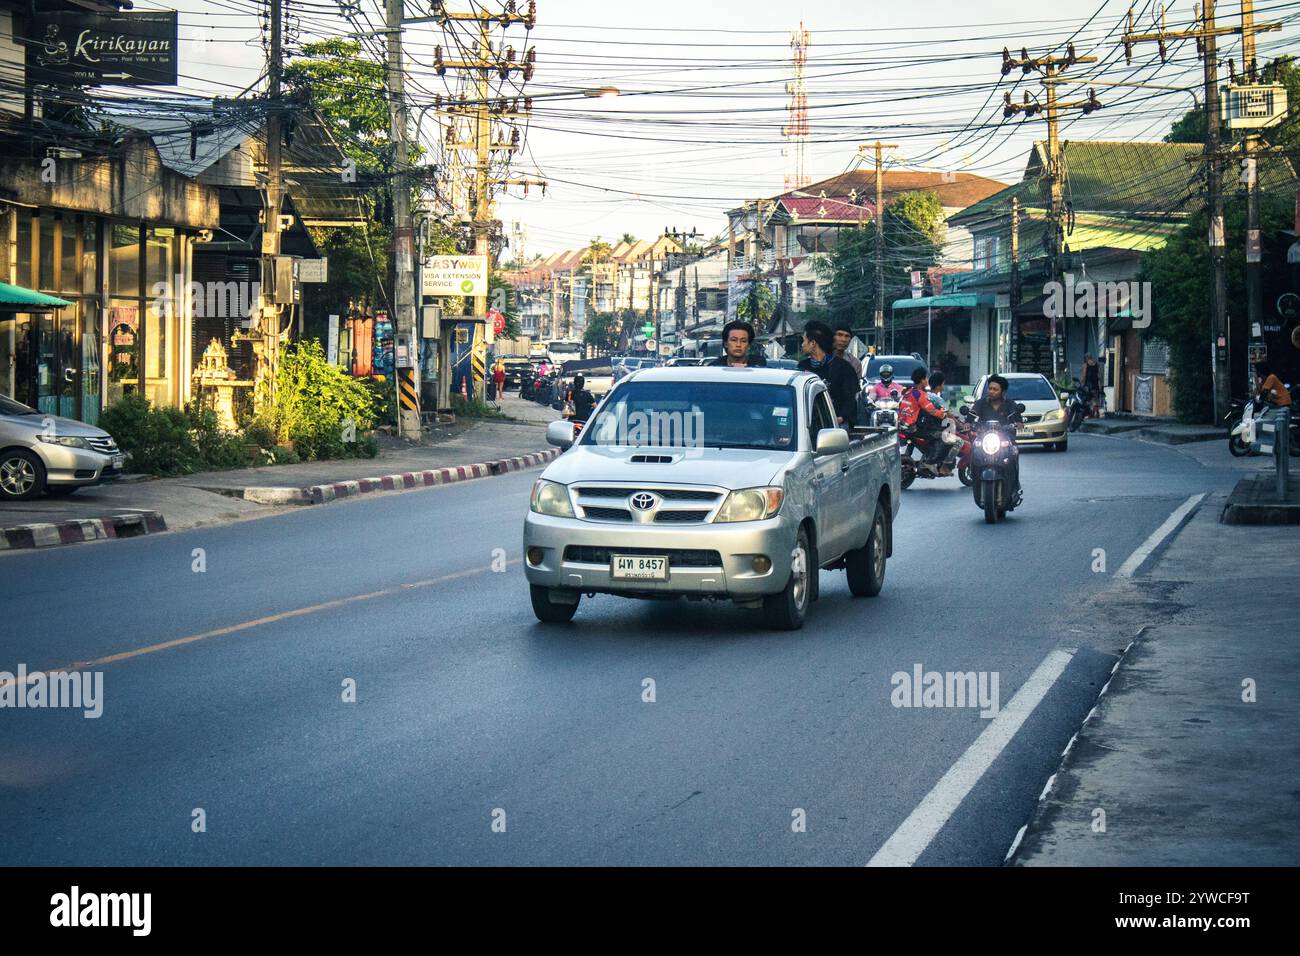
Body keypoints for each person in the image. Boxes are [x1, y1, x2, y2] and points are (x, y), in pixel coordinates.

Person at [971, 374, 1024, 496]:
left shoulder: (1010, 404)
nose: (991, 392)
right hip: (985, 440)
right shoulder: (980, 403)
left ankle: (1014, 483)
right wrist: (968, 424)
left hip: (1005, 440)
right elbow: (971, 416)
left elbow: (1018, 421)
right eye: (990, 389)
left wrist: (1018, 424)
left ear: (1003, 391)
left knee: (1014, 453)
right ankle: (975, 479)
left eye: (995, 389)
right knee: (974, 452)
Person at [798, 321, 858, 426]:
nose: (802, 344)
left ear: (813, 343)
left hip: (835, 427)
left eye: (804, 340)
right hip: (806, 425)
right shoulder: (802, 367)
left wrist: (838, 419)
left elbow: (850, 401)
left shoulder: (844, 368)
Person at [899, 367, 946, 470]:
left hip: (902, 426)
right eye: (926, 378)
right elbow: (932, 410)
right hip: (913, 428)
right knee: (941, 436)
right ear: (922, 380)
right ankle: (930, 462)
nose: (927, 380)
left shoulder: (908, 392)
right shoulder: (920, 394)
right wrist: (943, 415)